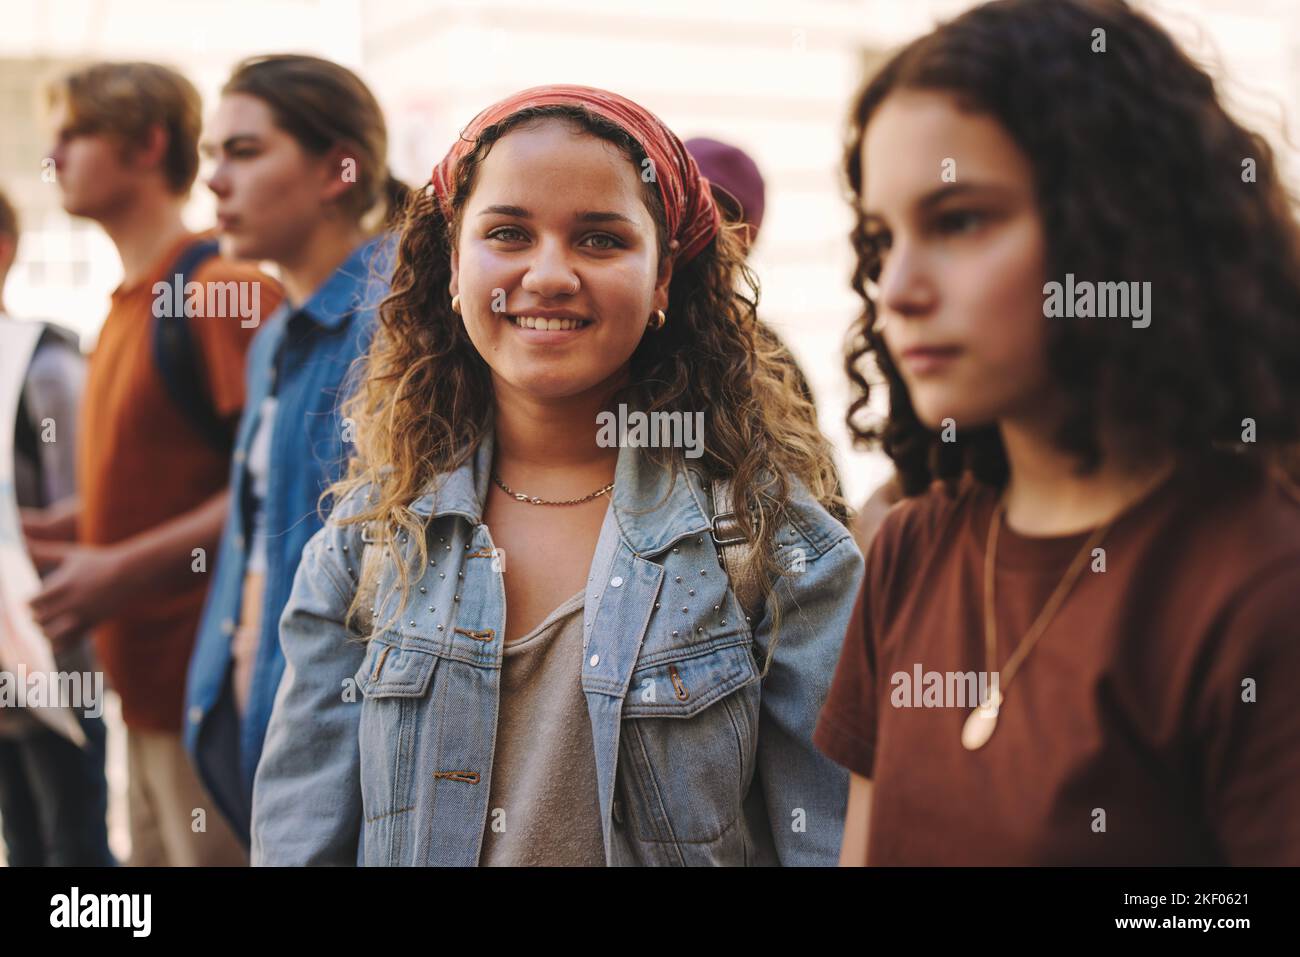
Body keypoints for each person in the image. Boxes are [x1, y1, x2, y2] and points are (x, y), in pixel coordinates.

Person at [252, 84, 863, 866]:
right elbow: (298, 843)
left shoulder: (779, 551)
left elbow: (834, 842)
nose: (548, 274)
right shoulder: (367, 546)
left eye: (601, 240)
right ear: (452, 266)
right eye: (508, 233)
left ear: (663, 281)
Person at [816, 0, 1300, 865]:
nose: (896, 288)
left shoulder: (1258, 584)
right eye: (881, 239)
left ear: (1118, 226)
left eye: (959, 220)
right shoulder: (910, 548)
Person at [27, 62, 283, 866]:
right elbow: (165, 483)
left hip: (208, 703)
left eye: (75, 133)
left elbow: (275, 495)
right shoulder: (121, 304)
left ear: (147, 143)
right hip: (136, 696)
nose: (54, 155)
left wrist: (118, 569)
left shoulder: (220, 289)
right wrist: (45, 533)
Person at [184, 54, 403, 845]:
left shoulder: (397, 327)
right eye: (211, 154)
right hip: (255, 733)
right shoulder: (274, 332)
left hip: (344, 761)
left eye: (243, 151)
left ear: (336, 170)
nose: (213, 180)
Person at [0, 187, 114, 867]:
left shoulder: (46, 369)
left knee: (74, 847)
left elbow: (89, 524)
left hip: (53, 661)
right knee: (23, 840)